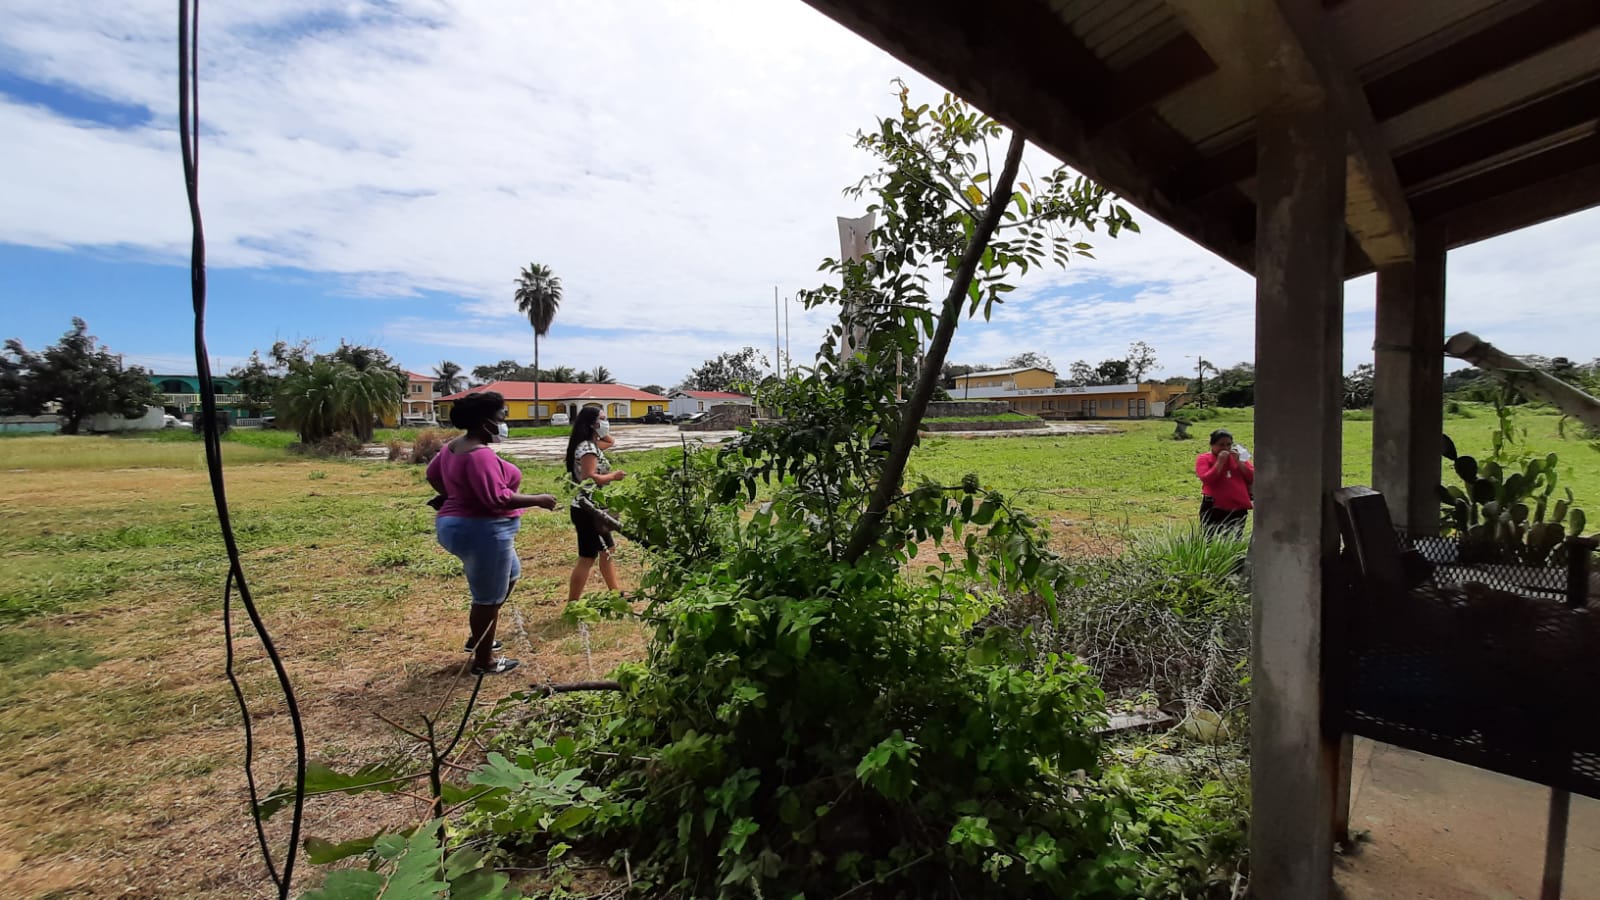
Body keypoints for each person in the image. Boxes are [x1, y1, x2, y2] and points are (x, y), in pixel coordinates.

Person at [425, 391, 558, 675]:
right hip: (482, 529)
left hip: (463, 525)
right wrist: (538, 499)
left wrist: (453, 494)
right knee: (486, 597)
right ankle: (483, 660)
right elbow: (497, 498)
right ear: (485, 421)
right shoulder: (479, 455)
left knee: (510, 575)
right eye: (501, 417)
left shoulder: (453, 447)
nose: (503, 423)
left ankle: (480, 635)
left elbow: (433, 475)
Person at [565, 407, 627, 604]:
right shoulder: (588, 449)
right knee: (587, 557)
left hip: (593, 508)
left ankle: (615, 593)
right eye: (602, 419)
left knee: (608, 551)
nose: (606, 422)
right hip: (588, 510)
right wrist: (613, 477)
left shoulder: (590, 444)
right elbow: (590, 477)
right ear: (592, 423)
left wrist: (598, 428)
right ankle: (573, 602)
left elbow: (610, 441)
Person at [1195, 428, 1254, 535]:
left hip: (1237, 506)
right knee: (1211, 537)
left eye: (1228, 445)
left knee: (1234, 538)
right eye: (1221, 445)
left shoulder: (1238, 457)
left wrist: (1239, 462)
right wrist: (1220, 462)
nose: (1225, 448)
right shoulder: (1204, 458)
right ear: (1212, 445)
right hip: (1215, 506)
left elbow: (1251, 477)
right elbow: (1207, 479)